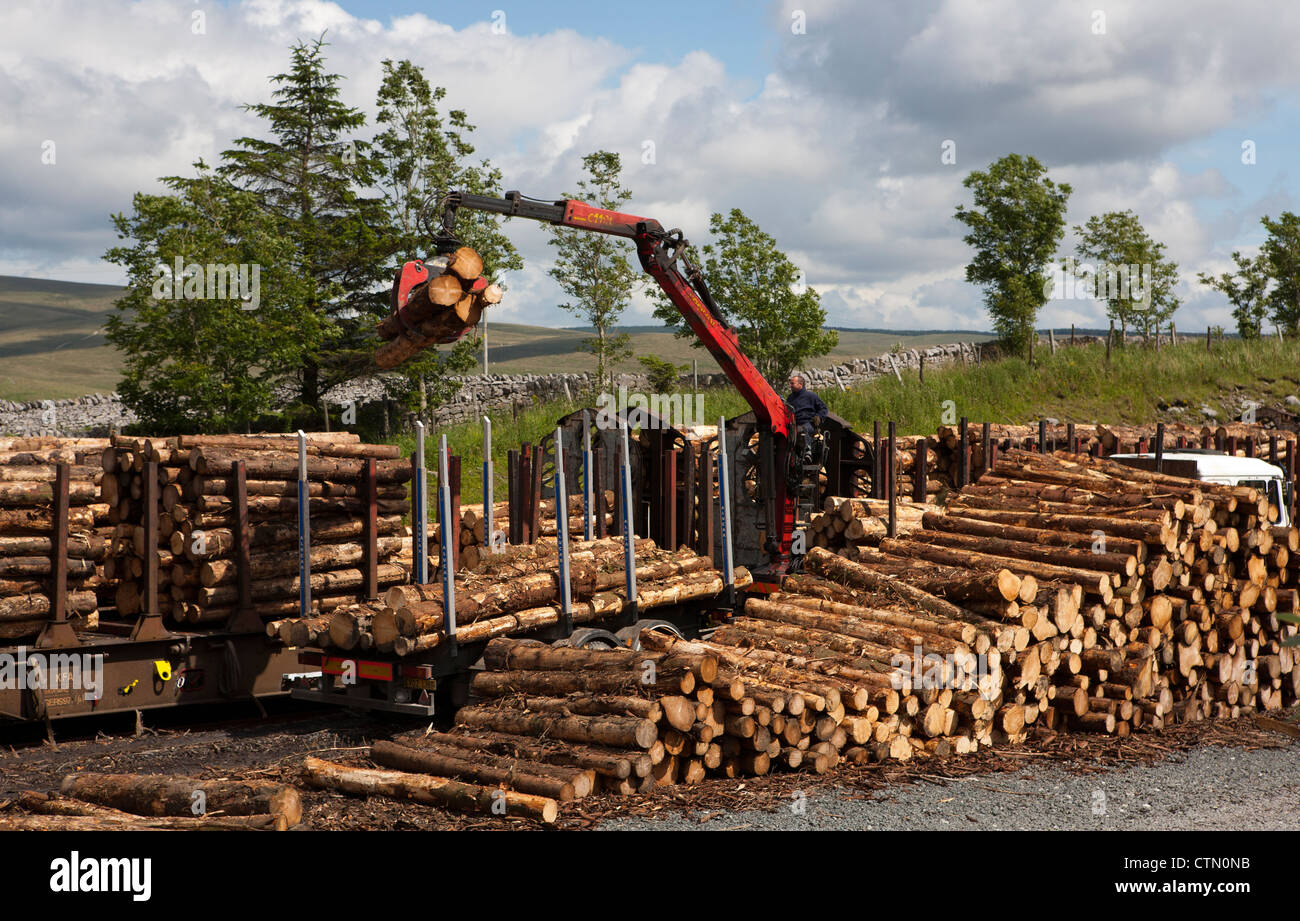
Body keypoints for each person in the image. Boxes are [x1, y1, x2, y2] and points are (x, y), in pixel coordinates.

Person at [786, 372, 828, 440]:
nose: (790, 385)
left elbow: (823, 408)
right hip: (793, 424)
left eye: (792, 383)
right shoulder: (790, 398)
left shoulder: (811, 396)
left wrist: (819, 417)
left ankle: (807, 449)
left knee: (801, 431)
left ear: (800, 384)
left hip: (808, 423)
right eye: (790, 383)